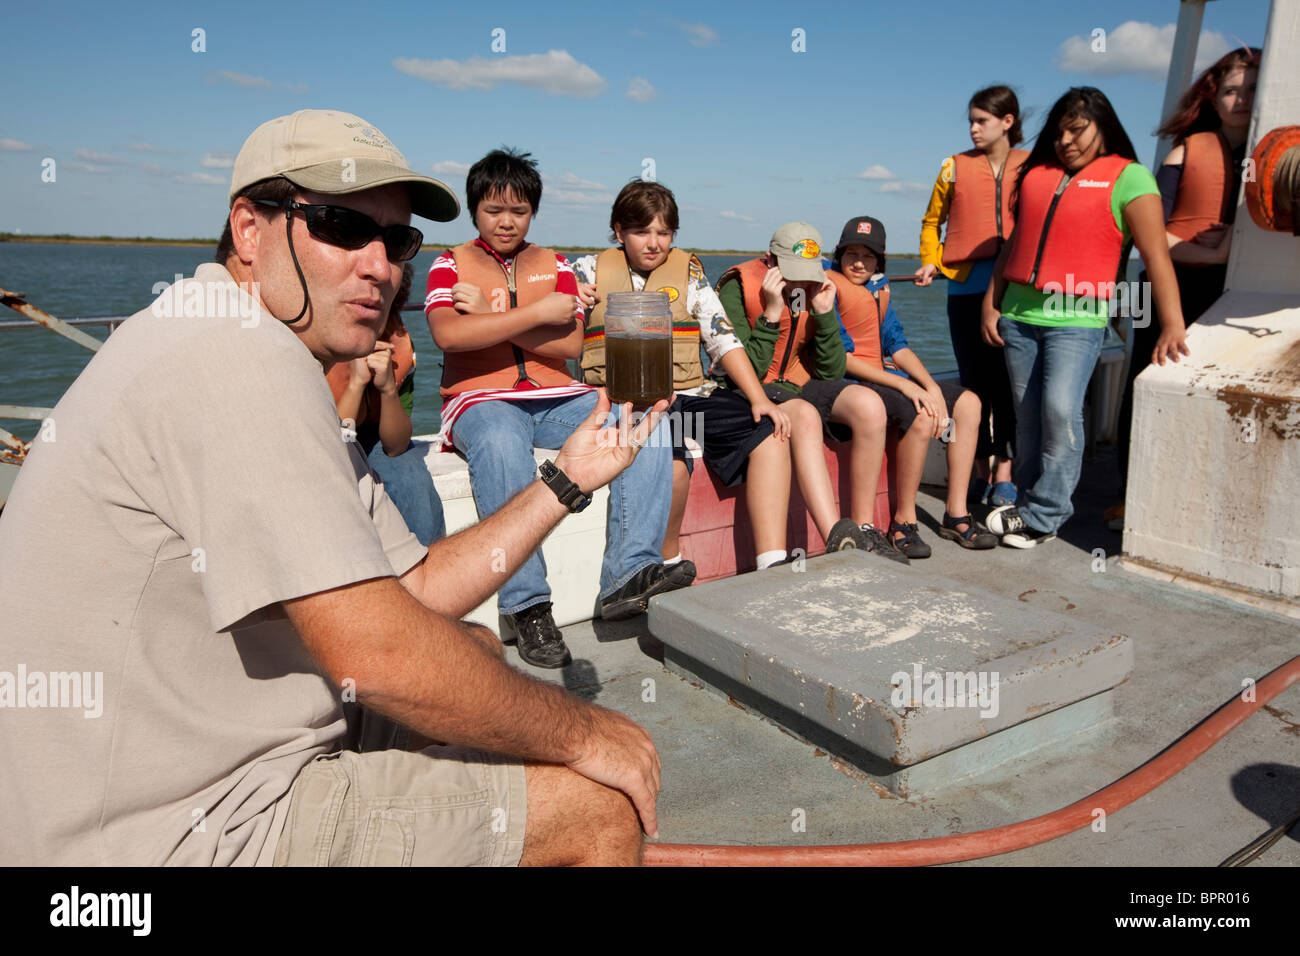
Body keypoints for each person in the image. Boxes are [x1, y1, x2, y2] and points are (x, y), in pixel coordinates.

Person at [0, 110, 665, 867]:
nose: (380, 265)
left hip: (207, 746)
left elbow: (414, 588)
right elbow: (376, 654)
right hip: (154, 834)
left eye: (397, 239)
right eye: (343, 225)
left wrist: (566, 479)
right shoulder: (236, 359)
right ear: (249, 230)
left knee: (475, 646)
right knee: (595, 809)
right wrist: (588, 733)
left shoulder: (231, 335)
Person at [425, 148, 689, 669]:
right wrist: (536, 315)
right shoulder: (447, 262)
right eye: (494, 210)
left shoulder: (557, 263)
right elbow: (450, 336)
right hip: (480, 398)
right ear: (475, 209)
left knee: (643, 419)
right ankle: (527, 606)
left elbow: (569, 345)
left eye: (518, 211)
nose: (506, 221)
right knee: (501, 442)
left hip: (554, 395)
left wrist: (497, 315)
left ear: (533, 213)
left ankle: (629, 574)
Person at [980, 88, 1190, 548]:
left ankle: (1045, 515)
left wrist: (1173, 323)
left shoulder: (1131, 179)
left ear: (1103, 127)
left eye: (1076, 130)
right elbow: (1015, 247)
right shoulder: (1038, 175)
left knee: (1059, 410)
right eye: (1059, 132)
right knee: (1028, 417)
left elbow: (1155, 257)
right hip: (1019, 313)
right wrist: (991, 303)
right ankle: (1030, 505)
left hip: (1078, 317)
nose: (1066, 141)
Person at [572, 181, 794, 572]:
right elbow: (560, 336)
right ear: (619, 230)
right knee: (671, 462)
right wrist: (571, 299)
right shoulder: (586, 271)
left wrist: (758, 398)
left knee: (767, 430)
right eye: (641, 231)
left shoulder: (689, 274)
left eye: (664, 232)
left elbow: (723, 340)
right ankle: (668, 561)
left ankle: (772, 561)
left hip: (688, 394)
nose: (653, 243)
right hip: (620, 401)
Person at [1110, 47, 1260, 528]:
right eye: (1232, 90)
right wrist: (1217, 252)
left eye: (1253, 89)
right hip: (1162, 290)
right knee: (1143, 381)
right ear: (1213, 98)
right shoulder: (1184, 151)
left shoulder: (1274, 158)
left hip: (1239, 295)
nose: (1241, 99)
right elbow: (1151, 237)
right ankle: (1129, 491)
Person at [716, 222, 908, 564]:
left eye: (806, 272)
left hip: (797, 384)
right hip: (750, 388)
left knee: (869, 404)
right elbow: (749, 370)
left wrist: (824, 316)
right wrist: (771, 315)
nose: (800, 282)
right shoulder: (738, 285)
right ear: (770, 261)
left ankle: (863, 528)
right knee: (802, 414)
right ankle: (836, 537)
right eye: (792, 272)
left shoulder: (815, 287)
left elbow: (831, 371)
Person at [830, 216, 996, 556]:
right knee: (919, 413)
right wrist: (909, 389)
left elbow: (897, 344)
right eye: (851, 254)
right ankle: (903, 521)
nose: (859, 262)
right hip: (855, 383)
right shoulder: (828, 290)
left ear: (880, 261)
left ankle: (956, 512)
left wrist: (929, 385)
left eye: (868, 256)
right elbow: (840, 356)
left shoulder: (878, 290)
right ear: (839, 255)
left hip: (887, 376)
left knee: (967, 404)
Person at [916, 85, 1029, 509]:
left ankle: (1006, 470)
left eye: (982, 120)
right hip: (963, 286)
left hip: (1016, 290)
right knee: (973, 386)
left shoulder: (1034, 168)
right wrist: (930, 259)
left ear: (1008, 122)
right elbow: (932, 223)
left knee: (1012, 383)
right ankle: (980, 468)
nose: (973, 128)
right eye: (971, 120)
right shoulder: (953, 167)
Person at [327, 262, 446, 545]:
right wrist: (356, 383)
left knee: (412, 479)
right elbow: (333, 447)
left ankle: (430, 571)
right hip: (328, 437)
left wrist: (388, 389)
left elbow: (396, 446)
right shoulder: (317, 346)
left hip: (374, 436)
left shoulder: (399, 345)